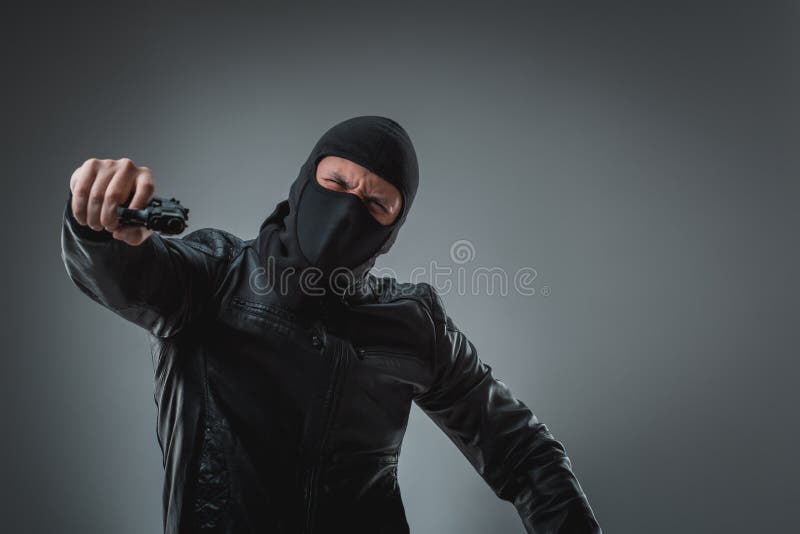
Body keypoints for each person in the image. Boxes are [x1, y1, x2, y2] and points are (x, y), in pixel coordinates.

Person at [61, 115, 602, 534]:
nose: (347, 210)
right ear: (306, 180)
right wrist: (96, 225)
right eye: (336, 181)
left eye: (375, 202)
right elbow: (126, 275)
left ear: (393, 227)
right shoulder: (212, 276)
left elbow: (524, 453)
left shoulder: (414, 323)